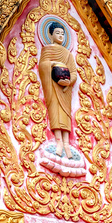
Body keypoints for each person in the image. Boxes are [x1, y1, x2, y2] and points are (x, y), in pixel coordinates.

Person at [37, 21, 78, 159]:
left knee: (66, 113)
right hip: (53, 86)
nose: (60, 36)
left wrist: (69, 81)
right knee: (55, 110)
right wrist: (52, 64)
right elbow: (42, 66)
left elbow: (73, 72)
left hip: (65, 88)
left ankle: (67, 143)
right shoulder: (47, 50)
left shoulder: (68, 54)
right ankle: (59, 141)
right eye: (57, 33)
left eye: (62, 33)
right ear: (50, 34)